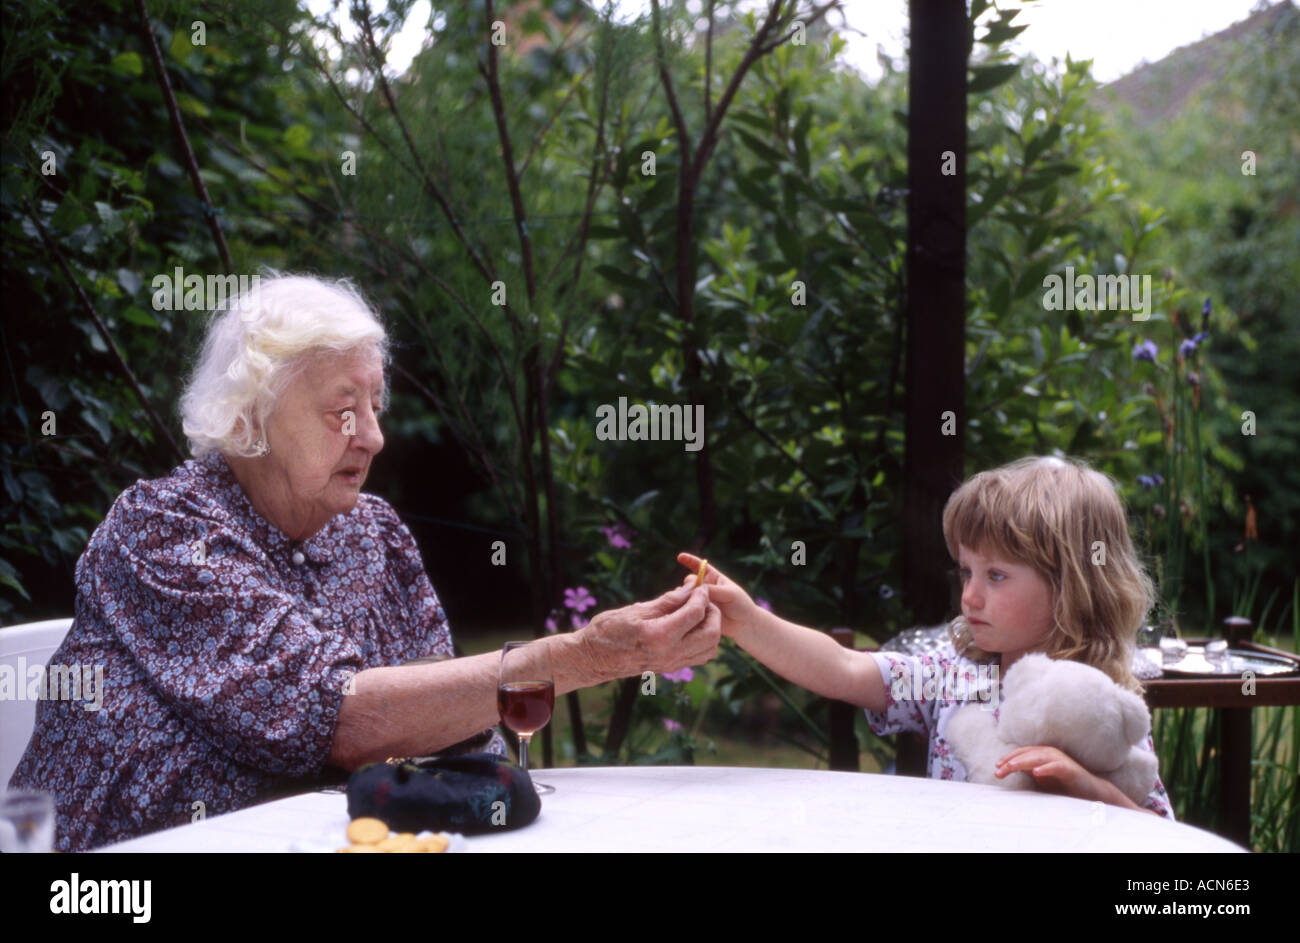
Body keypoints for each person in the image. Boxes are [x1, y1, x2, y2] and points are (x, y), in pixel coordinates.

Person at [10, 273, 720, 851]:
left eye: (376, 405)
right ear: (251, 414)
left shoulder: (371, 532)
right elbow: (337, 720)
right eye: (343, 409)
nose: (374, 436)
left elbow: (451, 725)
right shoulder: (163, 531)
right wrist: (585, 654)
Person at [679, 455, 1174, 818]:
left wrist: (1081, 784)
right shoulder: (950, 673)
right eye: (966, 572)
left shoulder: (1098, 701)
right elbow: (844, 668)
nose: (970, 597)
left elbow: (1157, 834)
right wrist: (746, 621)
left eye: (996, 576)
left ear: (1071, 584)